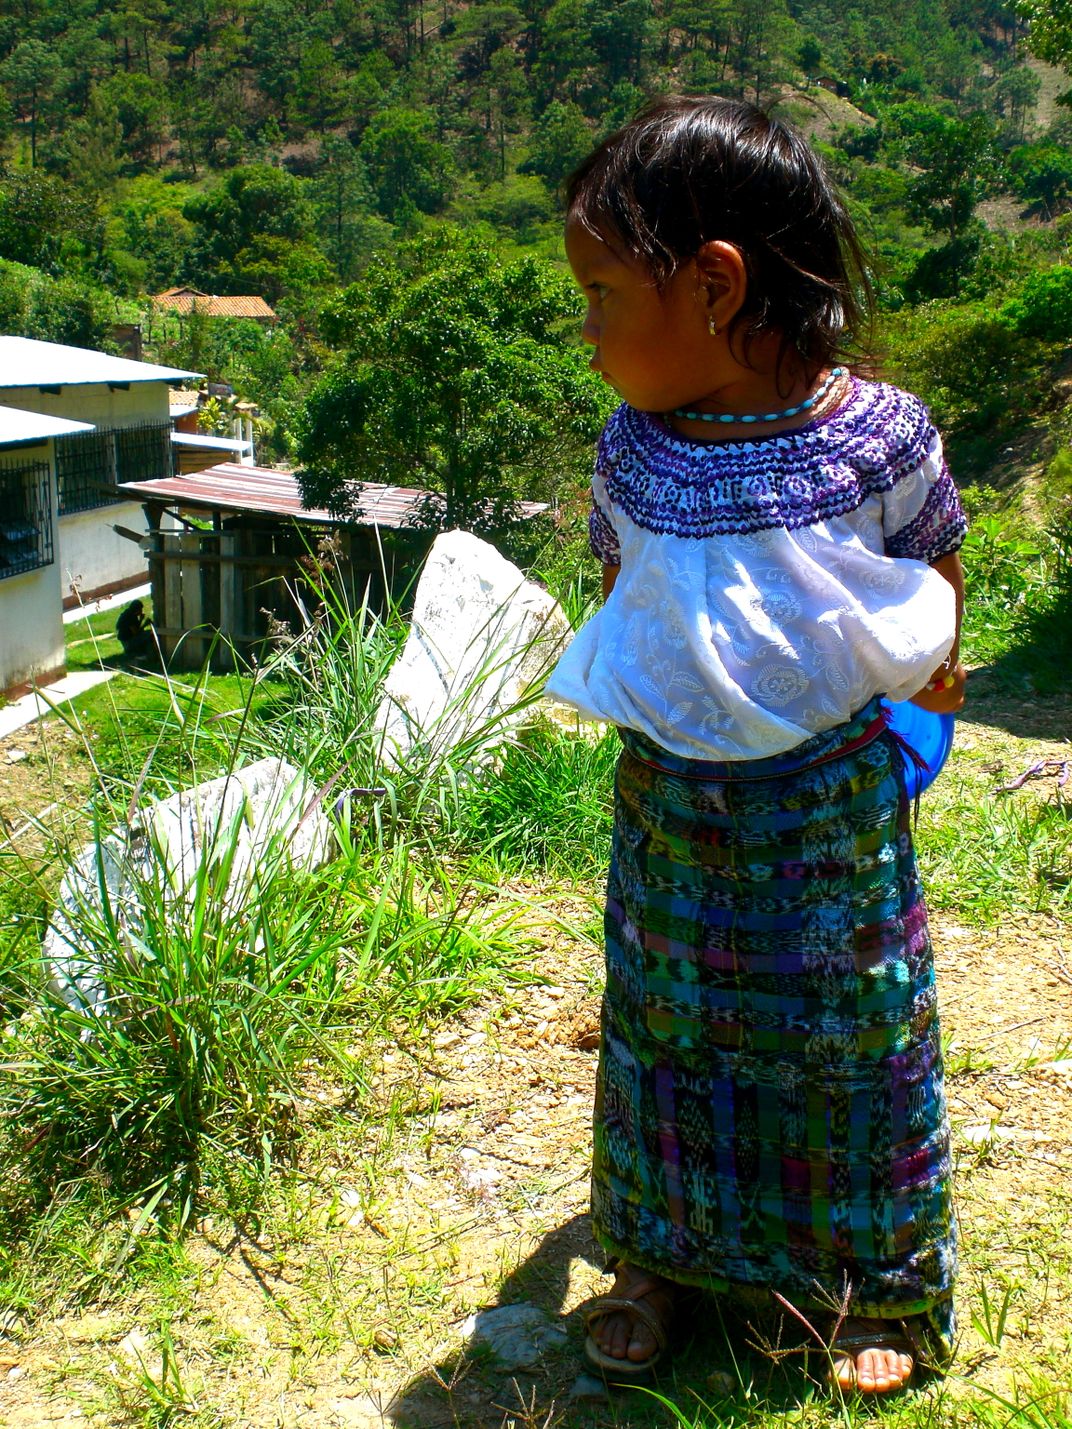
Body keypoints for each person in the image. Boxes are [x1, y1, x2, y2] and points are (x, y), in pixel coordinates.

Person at [544, 96, 966, 1397]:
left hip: (829, 820)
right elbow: (642, 611)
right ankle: (659, 1259)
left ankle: (867, 1278)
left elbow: (935, 587)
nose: (590, 332)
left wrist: (925, 735)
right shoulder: (635, 453)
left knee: (852, 1034)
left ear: (716, 288)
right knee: (666, 1030)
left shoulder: (879, 441)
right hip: (670, 816)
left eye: (606, 294)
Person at [115, 599, 155, 663]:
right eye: (140, 609)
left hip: (129, 639)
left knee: (147, 633)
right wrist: (145, 624)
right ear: (137, 609)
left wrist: (141, 619)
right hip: (128, 642)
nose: (141, 611)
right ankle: (150, 656)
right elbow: (136, 633)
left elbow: (136, 628)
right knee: (149, 635)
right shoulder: (130, 616)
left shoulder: (131, 614)